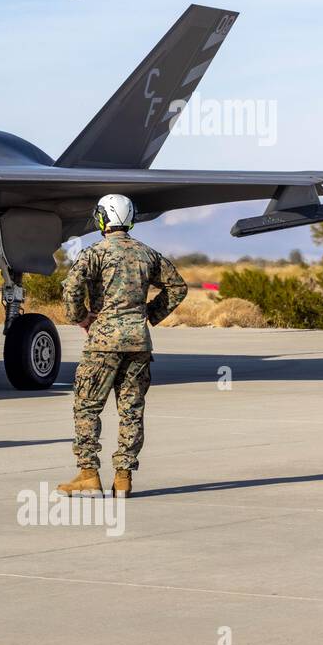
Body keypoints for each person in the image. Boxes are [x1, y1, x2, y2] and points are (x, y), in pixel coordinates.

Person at [58, 193, 187, 498]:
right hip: (138, 342)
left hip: (103, 342)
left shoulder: (93, 253)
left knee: (88, 406)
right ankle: (124, 477)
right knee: (131, 410)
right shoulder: (147, 254)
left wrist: (81, 318)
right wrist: (149, 315)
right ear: (129, 219)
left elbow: (71, 287)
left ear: (101, 218)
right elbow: (178, 287)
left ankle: (88, 473)